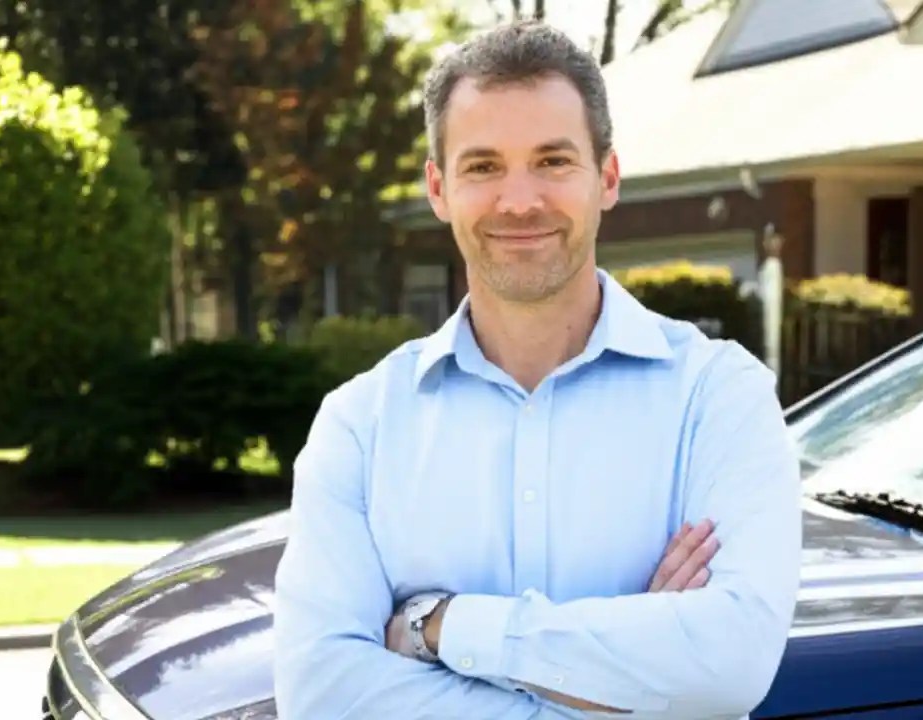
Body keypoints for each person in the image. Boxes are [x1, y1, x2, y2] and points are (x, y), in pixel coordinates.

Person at [273, 20, 802, 720]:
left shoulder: (717, 396)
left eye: (553, 161)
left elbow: (731, 663)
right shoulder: (360, 424)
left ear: (606, 177)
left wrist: (440, 627)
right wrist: (629, 678)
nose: (519, 202)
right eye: (483, 166)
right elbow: (322, 694)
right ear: (439, 188)